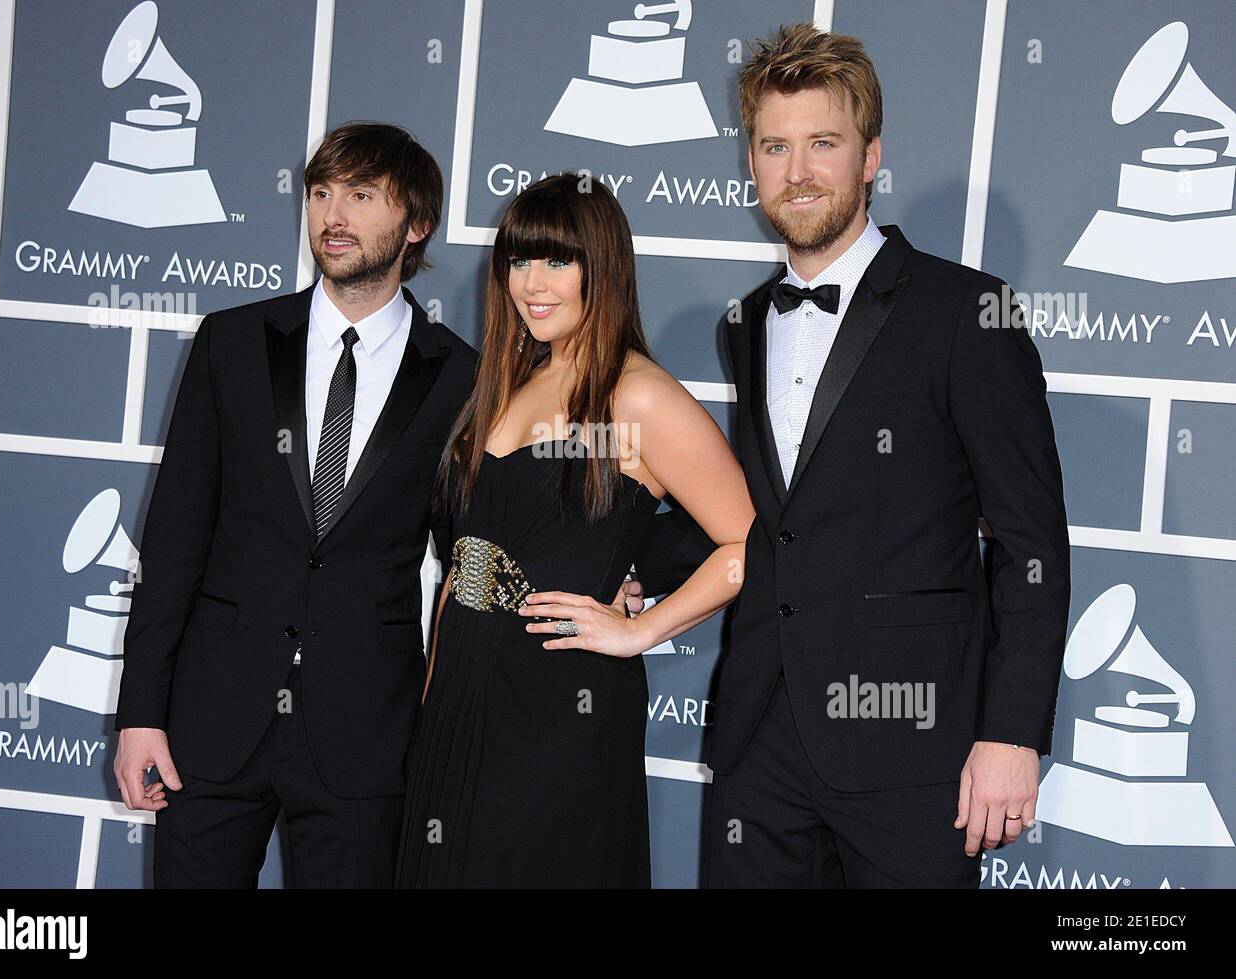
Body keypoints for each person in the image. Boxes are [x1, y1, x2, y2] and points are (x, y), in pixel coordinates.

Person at [634, 23, 1070, 888]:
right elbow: (771, 517)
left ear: (871, 156)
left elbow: (1031, 542)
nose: (797, 172)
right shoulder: (748, 325)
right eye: (775, 146)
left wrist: (1012, 732)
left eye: (823, 144)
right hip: (761, 733)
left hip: (915, 750)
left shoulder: (966, 313)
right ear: (751, 162)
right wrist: (627, 562)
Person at [112, 122, 479, 887]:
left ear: (417, 224)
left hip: (366, 733)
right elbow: (173, 538)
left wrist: (597, 571)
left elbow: (467, 550)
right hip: (213, 722)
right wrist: (140, 712)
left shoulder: (460, 377)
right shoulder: (232, 342)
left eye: (361, 194)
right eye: (320, 193)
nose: (332, 215)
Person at [394, 172, 755, 888]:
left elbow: (750, 543)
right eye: (520, 259)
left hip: (560, 710)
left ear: (603, 266)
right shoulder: (503, 383)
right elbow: (467, 558)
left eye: (558, 259)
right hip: (460, 697)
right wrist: (434, 699)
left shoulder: (639, 393)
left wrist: (640, 630)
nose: (533, 281)